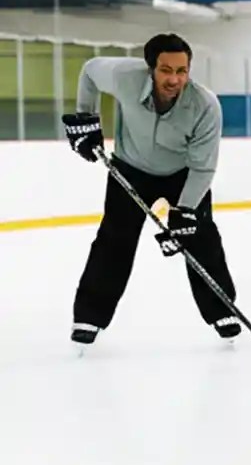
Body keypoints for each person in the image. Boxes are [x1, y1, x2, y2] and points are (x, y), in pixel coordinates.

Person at [61, 33, 241, 351]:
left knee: (201, 237)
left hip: (183, 173)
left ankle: (222, 311)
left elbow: (203, 168)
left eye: (182, 71)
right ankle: (89, 316)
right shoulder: (123, 77)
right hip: (130, 168)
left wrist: (184, 211)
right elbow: (89, 70)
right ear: (150, 68)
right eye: (166, 70)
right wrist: (85, 116)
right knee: (114, 241)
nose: (175, 79)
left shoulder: (204, 105)